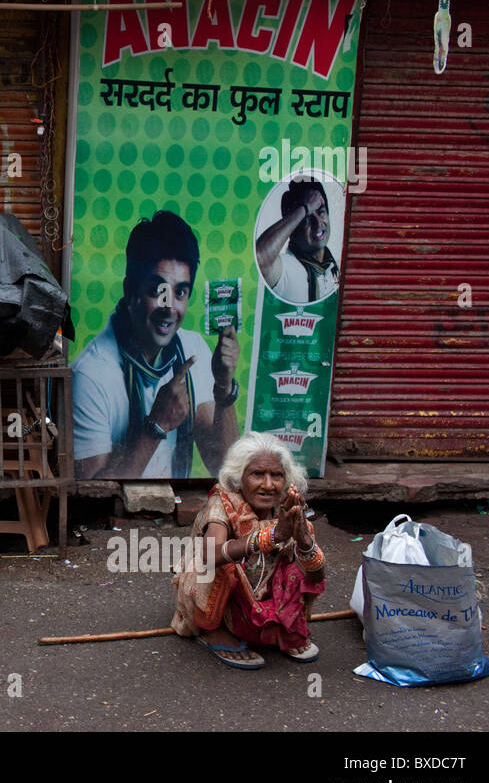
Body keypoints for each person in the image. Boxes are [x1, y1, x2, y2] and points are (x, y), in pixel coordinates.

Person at [72, 210, 239, 479]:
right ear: (130, 291)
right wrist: (156, 425)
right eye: (157, 290)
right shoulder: (91, 374)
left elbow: (224, 468)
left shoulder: (193, 349)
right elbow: (90, 494)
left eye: (180, 292)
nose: (168, 307)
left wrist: (224, 386)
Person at [170, 431, 327, 669]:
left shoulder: (285, 506)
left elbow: (316, 577)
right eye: (257, 474)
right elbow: (209, 555)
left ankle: (274, 626)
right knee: (223, 564)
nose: (268, 485)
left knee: (298, 557)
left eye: (276, 475)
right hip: (219, 593)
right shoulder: (222, 501)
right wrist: (273, 536)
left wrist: (304, 538)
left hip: (259, 591)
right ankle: (211, 631)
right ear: (239, 477)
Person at [255, 174, 339, 303]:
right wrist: (304, 208)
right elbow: (259, 257)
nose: (317, 223)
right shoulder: (285, 268)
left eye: (321, 212)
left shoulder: (335, 266)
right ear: (293, 226)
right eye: (307, 218)